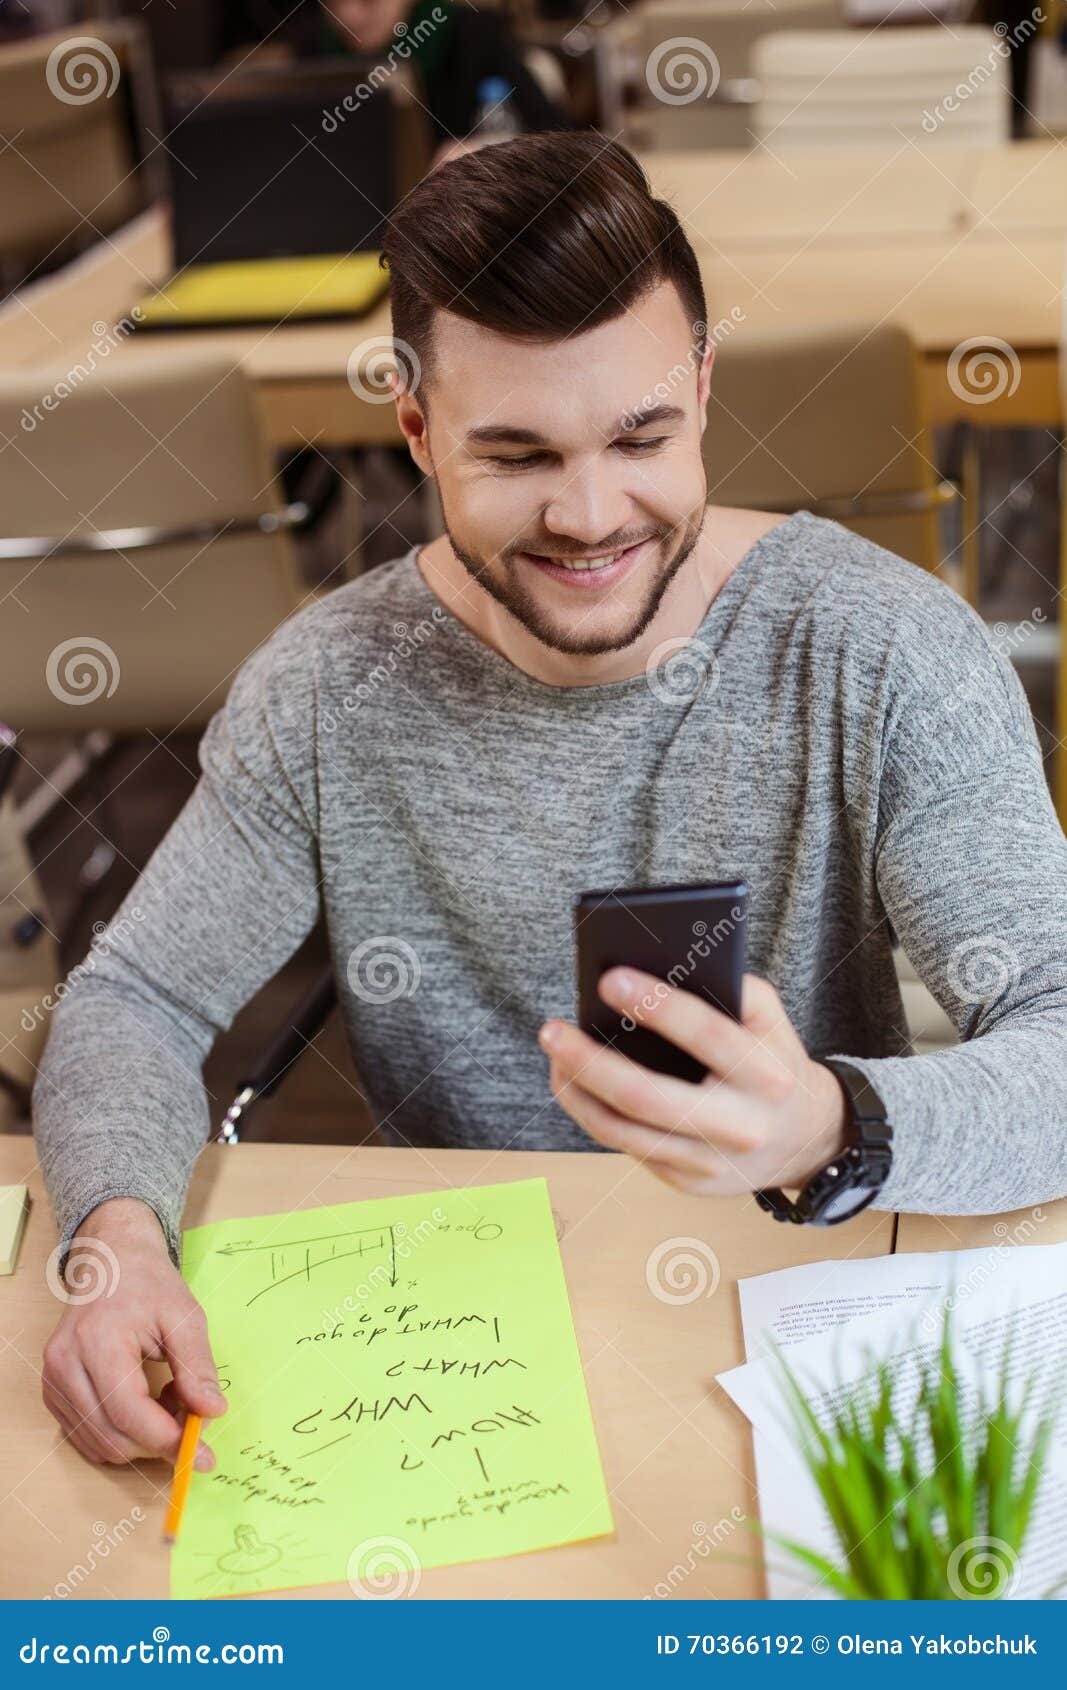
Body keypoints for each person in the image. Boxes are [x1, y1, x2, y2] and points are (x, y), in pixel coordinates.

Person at [33, 132, 1067, 1474]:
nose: (590, 515)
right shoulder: (328, 686)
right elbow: (135, 1001)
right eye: (516, 453)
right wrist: (113, 1237)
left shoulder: (883, 650)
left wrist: (829, 1124)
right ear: (413, 428)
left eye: (638, 436)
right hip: (444, 1372)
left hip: (790, 1313)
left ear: (699, 391)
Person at [297, 0, 570, 144]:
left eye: (369, 1)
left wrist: (486, 151)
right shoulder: (312, 48)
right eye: (332, 3)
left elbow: (557, 135)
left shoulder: (474, 36)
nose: (349, 16)